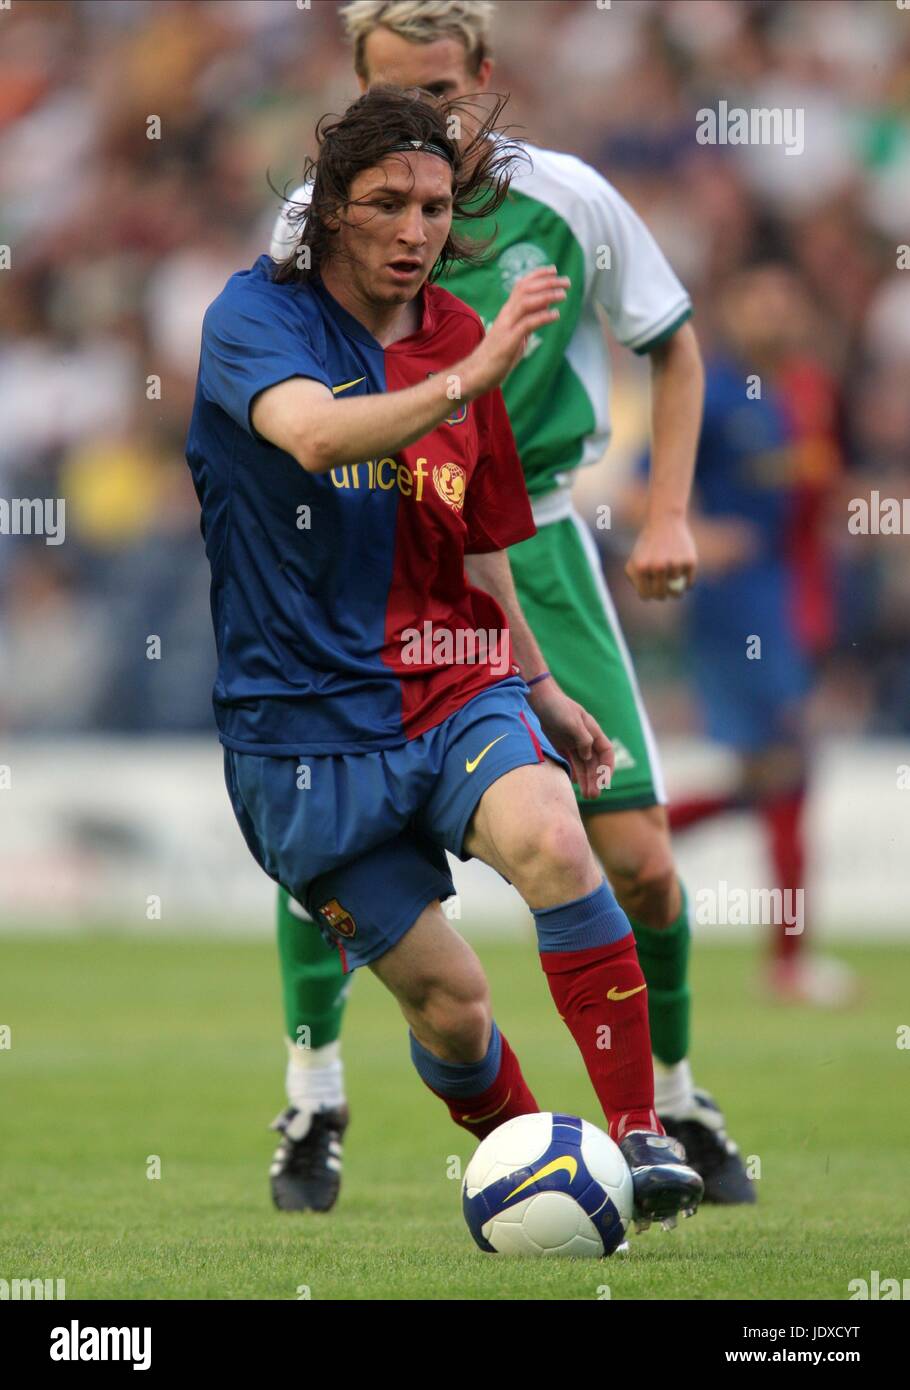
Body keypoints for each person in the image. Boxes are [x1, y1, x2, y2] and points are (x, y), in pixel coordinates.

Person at [186, 84, 704, 1232]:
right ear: (329, 214)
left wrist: (541, 684)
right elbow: (316, 436)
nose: (416, 230)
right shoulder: (252, 321)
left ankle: (638, 1137)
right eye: (387, 204)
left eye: (433, 206)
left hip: (452, 679)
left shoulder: (462, 336)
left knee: (555, 841)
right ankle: (530, 1164)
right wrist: (466, 378)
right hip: (300, 733)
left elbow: (479, 544)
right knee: (455, 1011)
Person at [650, 265, 856, 1007]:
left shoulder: (809, 391)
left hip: (800, 608)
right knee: (789, 770)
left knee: (772, 779)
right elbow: (642, 487)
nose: (772, 312)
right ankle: (790, 961)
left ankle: (624, 841)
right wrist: (698, 530)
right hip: (739, 613)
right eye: (757, 299)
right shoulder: (713, 390)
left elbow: (821, 504)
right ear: (732, 311)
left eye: (782, 298)